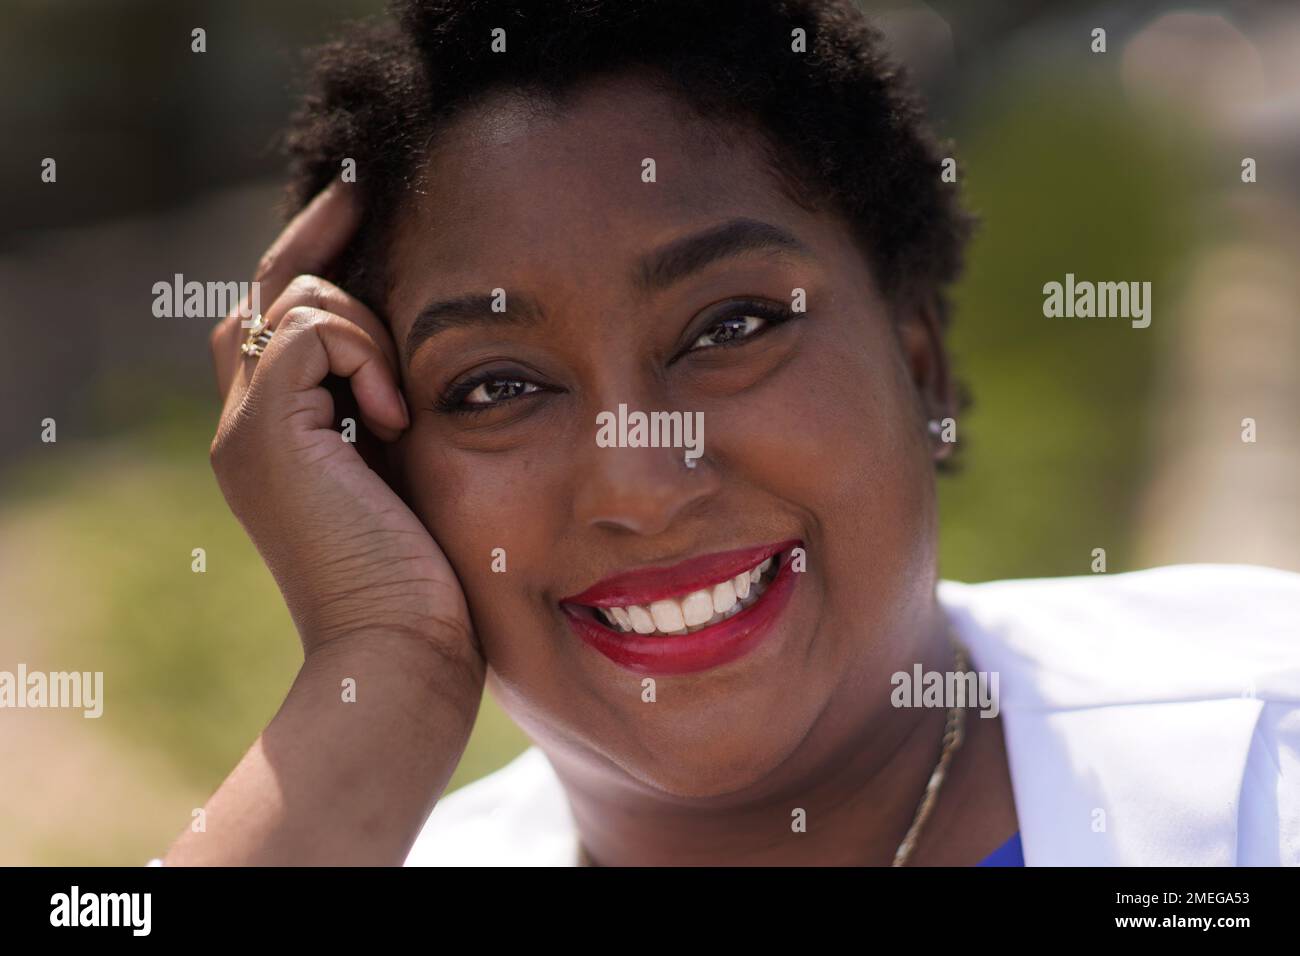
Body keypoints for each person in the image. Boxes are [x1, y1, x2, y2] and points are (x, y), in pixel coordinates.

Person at [163, 0, 1299, 866]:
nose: (641, 482)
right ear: (379, 467)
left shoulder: (1261, 751)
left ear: (919, 364)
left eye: (731, 325)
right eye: (495, 387)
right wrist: (383, 666)